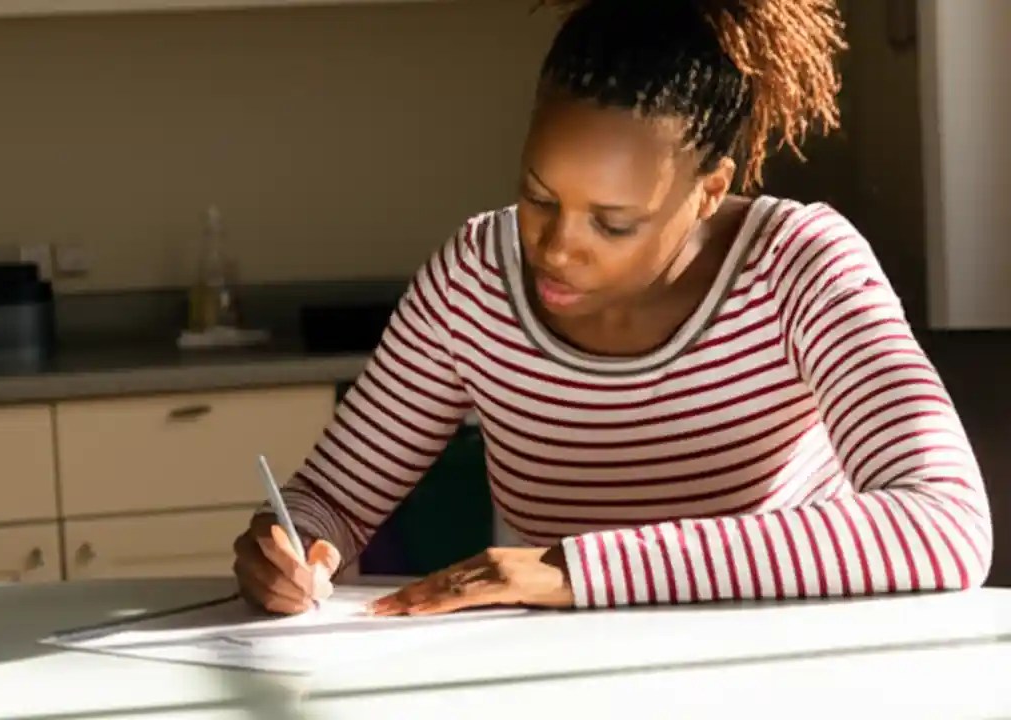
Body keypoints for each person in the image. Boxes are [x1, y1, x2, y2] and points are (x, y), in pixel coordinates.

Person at [231, 0, 993, 616]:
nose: (557, 248)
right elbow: (333, 496)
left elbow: (945, 525)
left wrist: (577, 568)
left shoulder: (799, 265)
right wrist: (291, 545)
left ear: (710, 190)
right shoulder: (474, 278)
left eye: (614, 222)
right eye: (537, 196)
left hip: (780, 680)